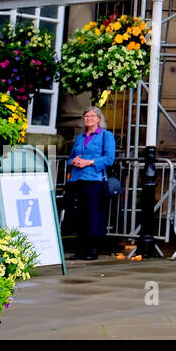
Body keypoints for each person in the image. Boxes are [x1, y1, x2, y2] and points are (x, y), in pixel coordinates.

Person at [67, 107, 116, 260]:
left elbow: (109, 159)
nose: (88, 119)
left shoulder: (106, 136)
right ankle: (80, 249)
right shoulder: (80, 137)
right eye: (86, 116)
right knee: (79, 215)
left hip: (94, 180)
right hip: (77, 179)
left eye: (91, 116)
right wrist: (73, 161)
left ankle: (93, 249)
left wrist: (89, 162)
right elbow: (70, 158)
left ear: (99, 119)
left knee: (93, 215)